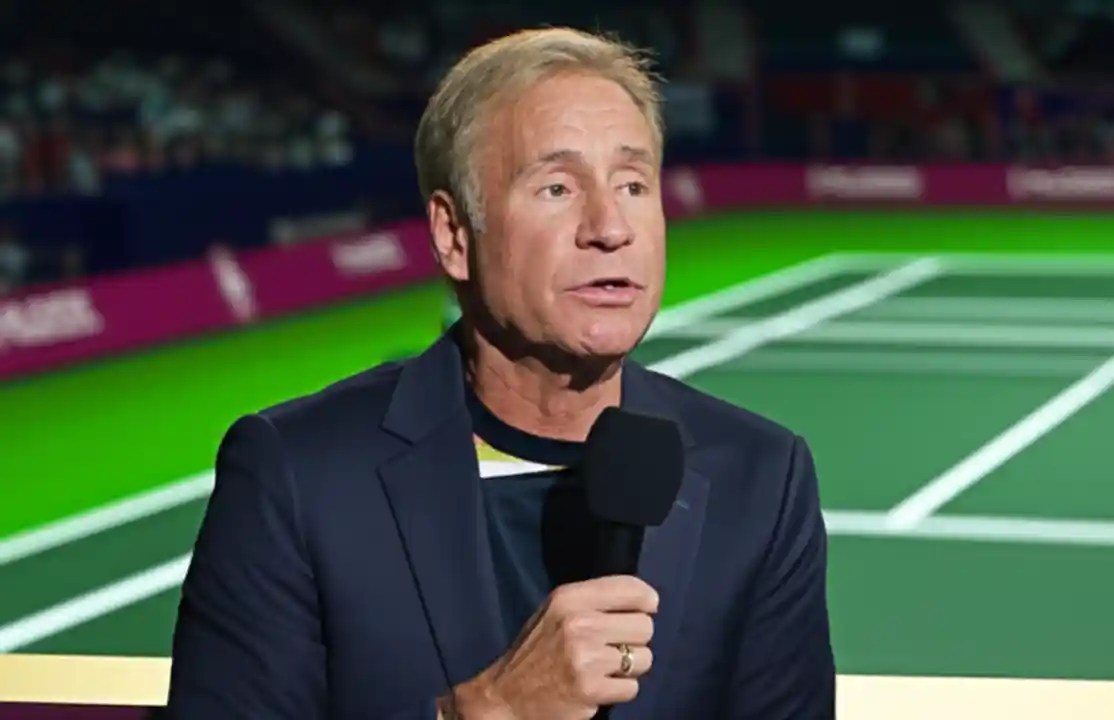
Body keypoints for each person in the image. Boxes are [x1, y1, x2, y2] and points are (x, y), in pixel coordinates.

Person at [167, 27, 834, 719]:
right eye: (556, 188)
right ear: (455, 236)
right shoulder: (298, 477)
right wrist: (489, 715)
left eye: (633, 184)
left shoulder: (760, 478)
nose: (611, 227)